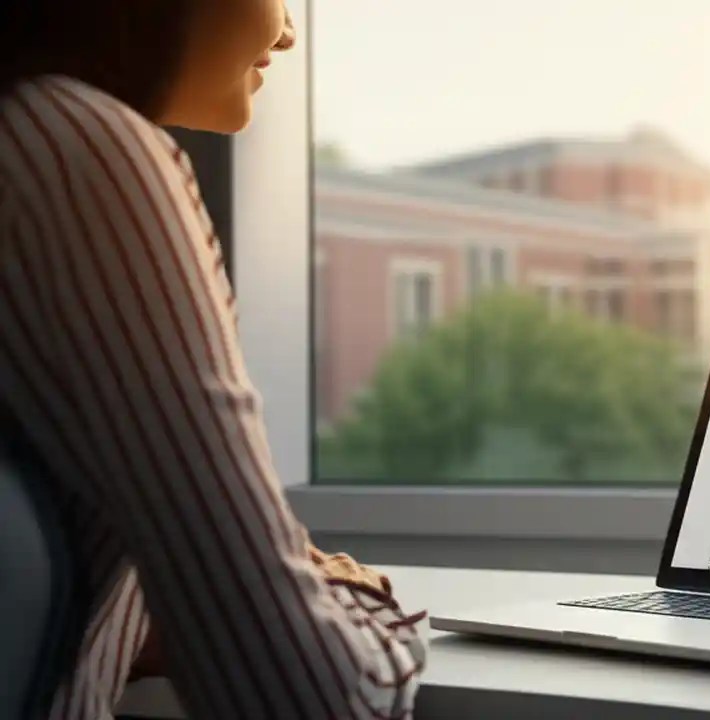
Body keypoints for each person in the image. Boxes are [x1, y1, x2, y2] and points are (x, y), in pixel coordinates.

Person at [0, 1, 427, 718]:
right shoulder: (78, 149)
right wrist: (354, 594)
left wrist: (123, 629)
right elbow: (307, 699)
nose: (288, 31)